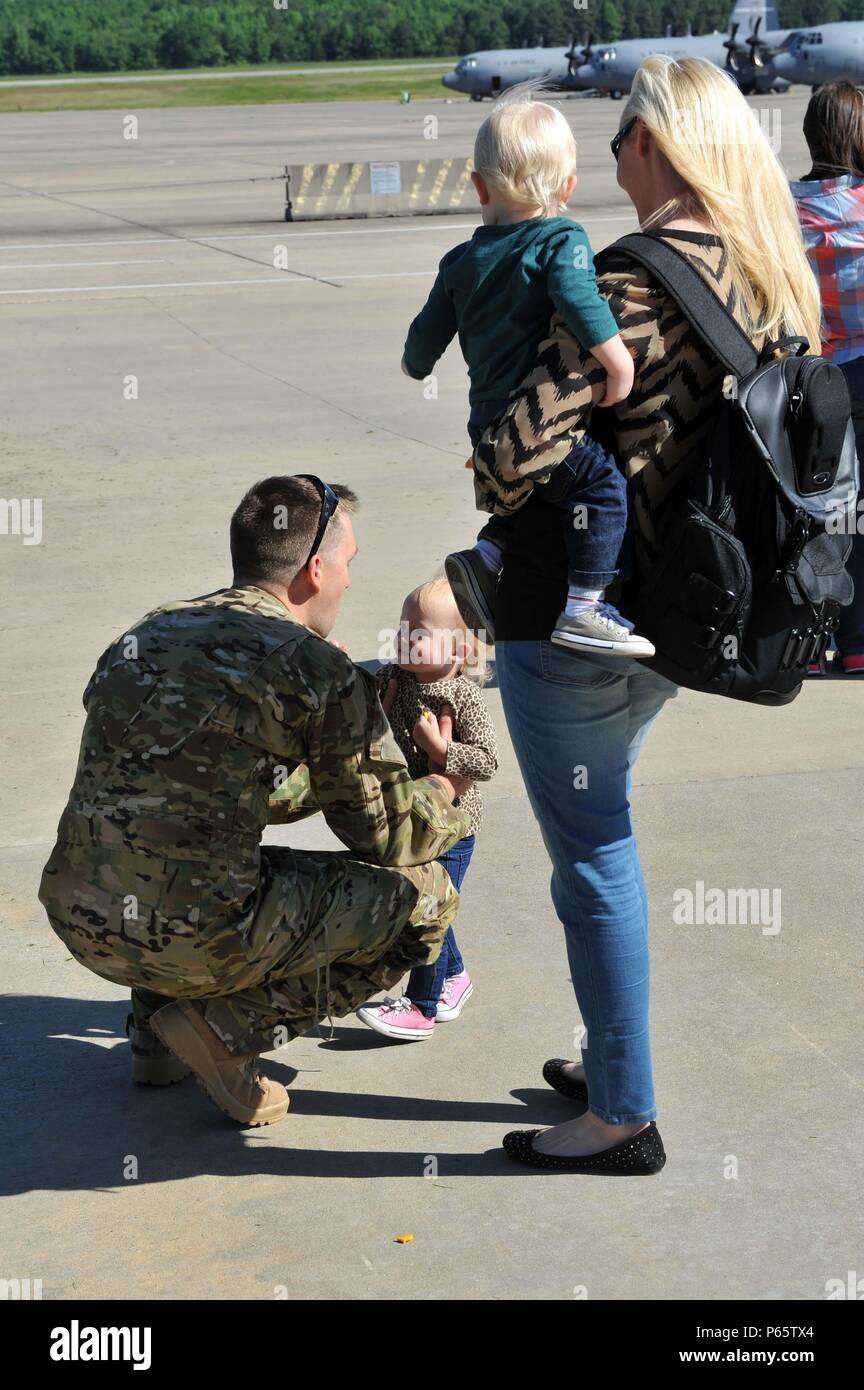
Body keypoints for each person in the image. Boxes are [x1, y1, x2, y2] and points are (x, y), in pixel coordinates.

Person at [468, 56, 824, 1173]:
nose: (611, 151)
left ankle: (621, 1111)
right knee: (602, 837)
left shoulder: (630, 282)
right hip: (682, 613)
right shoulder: (771, 269)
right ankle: (610, 1053)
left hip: (579, 620)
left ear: (654, 146)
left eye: (622, 132)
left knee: (593, 857)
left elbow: (513, 454)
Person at [38, 476, 472, 1128]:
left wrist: (308, 750)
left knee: (160, 841)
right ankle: (225, 1029)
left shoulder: (151, 631)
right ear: (315, 569)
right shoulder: (316, 668)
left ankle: (156, 1041)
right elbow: (389, 837)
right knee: (427, 900)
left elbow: (211, 782)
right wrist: (444, 783)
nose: (349, 583)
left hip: (82, 918)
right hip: (198, 935)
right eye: (348, 566)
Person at [401, 90, 654, 660]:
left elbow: (421, 345)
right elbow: (579, 299)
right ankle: (586, 608)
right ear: (566, 189)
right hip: (537, 417)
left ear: (479, 186)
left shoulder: (459, 263)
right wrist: (618, 361)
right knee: (600, 487)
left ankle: (487, 555)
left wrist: (413, 365)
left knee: (533, 493)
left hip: (485, 422)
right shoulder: (561, 240)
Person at [357, 576, 498, 1040]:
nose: (404, 641)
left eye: (420, 635)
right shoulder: (391, 680)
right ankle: (454, 976)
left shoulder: (464, 698)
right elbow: (360, 716)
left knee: (427, 902)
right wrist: (373, 709)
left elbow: (487, 762)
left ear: (458, 651)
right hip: (407, 821)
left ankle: (422, 1006)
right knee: (432, 904)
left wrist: (441, 750)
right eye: (402, 630)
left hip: (453, 827)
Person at [791, 81, 864, 676]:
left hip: (809, 379)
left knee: (814, 508)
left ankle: (812, 642)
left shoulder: (781, 207)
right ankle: (861, 639)